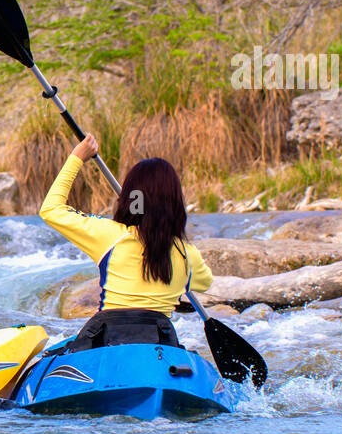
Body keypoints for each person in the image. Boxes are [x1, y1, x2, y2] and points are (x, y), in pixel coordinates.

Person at [39, 135, 214, 352]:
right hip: (159, 347)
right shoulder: (187, 253)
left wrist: (77, 157)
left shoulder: (108, 235)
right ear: (175, 202)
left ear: (131, 199)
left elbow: (50, 209)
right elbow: (205, 283)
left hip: (107, 345)